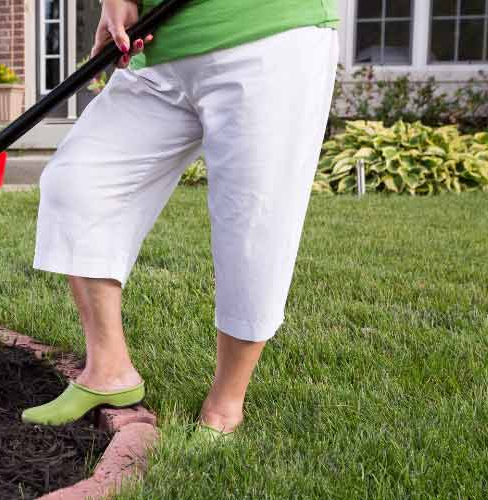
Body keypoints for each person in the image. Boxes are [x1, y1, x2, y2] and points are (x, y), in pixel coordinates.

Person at [21, 0, 339, 437]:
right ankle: (110, 371)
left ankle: (225, 406)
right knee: (77, 184)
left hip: (269, 37)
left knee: (252, 222)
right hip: (160, 48)